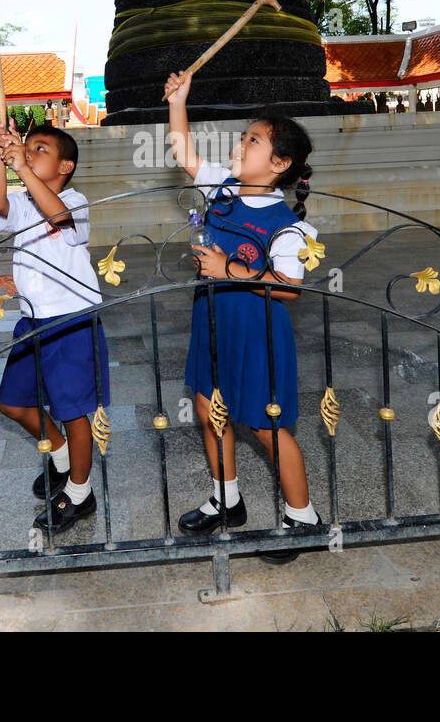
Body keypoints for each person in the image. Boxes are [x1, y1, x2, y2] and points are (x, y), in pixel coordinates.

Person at [165, 68, 321, 564]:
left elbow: (291, 289)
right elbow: (185, 154)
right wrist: (178, 101)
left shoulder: (290, 226)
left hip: (257, 334)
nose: (240, 145)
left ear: (279, 163)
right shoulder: (223, 189)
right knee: (210, 408)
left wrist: (226, 268)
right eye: (243, 138)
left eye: (252, 140)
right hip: (212, 324)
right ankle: (225, 498)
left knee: (265, 427)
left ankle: (304, 519)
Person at [0, 118, 109, 534]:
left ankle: (79, 492)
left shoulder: (75, 200)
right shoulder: (24, 201)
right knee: (12, 404)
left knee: (74, 411)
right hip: (32, 320)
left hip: (71, 320)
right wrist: (2, 155)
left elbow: (57, 218)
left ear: (65, 166)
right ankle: (59, 456)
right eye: (29, 146)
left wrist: (21, 165)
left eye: (41, 150)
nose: (31, 153)